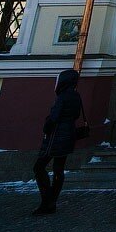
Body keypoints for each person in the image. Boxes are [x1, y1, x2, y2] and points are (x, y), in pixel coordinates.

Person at [32, 68, 84, 215]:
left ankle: (46, 200)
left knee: (39, 167)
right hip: (69, 135)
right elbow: (76, 114)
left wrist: (46, 127)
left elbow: (54, 117)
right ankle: (52, 201)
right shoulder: (76, 96)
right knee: (58, 169)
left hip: (56, 136)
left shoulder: (62, 97)